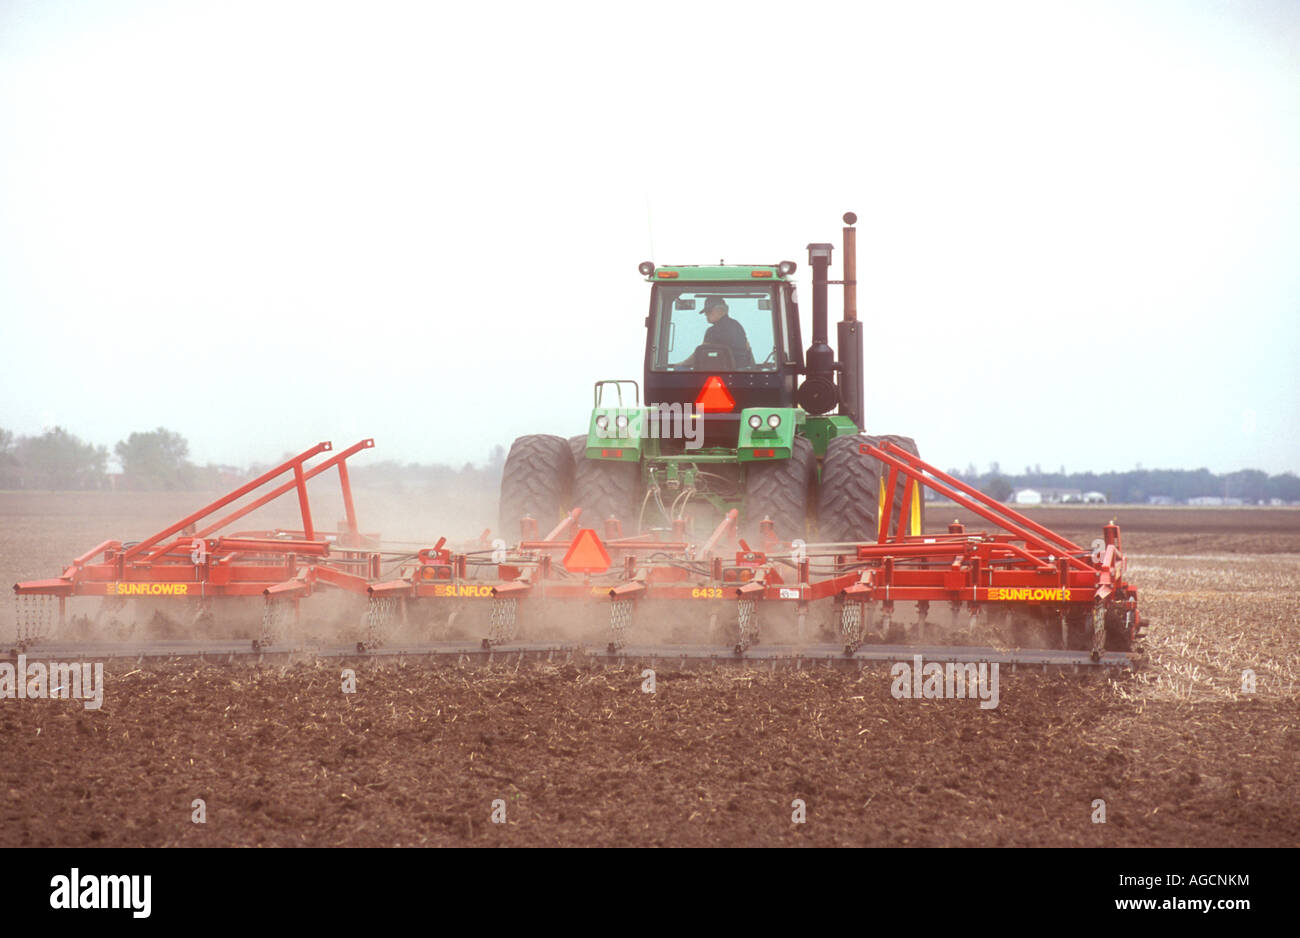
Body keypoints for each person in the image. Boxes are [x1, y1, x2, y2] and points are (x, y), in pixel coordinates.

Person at [693, 297, 754, 368]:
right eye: (706, 312)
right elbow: (747, 347)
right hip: (741, 370)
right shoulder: (737, 326)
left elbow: (701, 354)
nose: (706, 315)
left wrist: (682, 363)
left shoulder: (713, 331)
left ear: (720, 310)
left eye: (709, 311)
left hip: (722, 368)